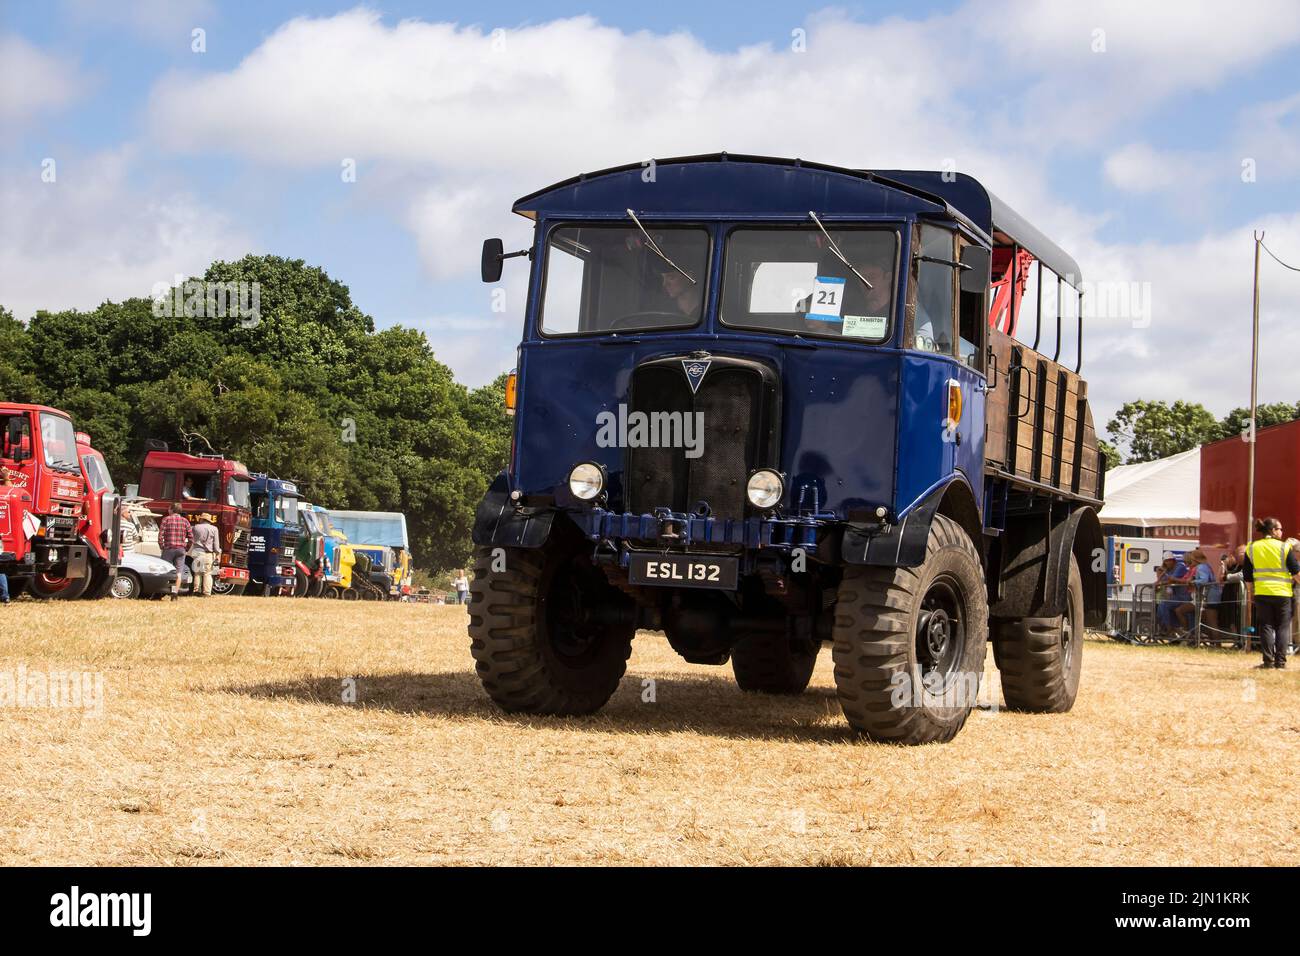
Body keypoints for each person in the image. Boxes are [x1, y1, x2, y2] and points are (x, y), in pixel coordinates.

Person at [1243, 517, 1300, 669]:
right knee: (1282, 627)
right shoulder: (1284, 547)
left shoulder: (1251, 547)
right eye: (1280, 529)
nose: (1282, 532)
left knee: (1266, 626)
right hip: (1283, 594)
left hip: (1262, 593)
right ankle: (1280, 662)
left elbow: (1247, 576)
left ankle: (1267, 662)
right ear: (1273, 530)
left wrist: (1251, 593)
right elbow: (1296, 572)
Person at [158, 503, 193, 601]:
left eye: (169, 509)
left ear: (172, 510)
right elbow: (191, 538)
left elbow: (160, 535)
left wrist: (162, 546)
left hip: (168, 548)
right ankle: (175, 593)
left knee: (165, 570)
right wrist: (186, 548)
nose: (168, 510)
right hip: (181, 549)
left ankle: (162, 592)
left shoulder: (166, 519)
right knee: (179, 572)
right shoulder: (185, 521)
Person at [1184, 550, 1221, 638]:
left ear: (1195, 559)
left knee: (1212, 623)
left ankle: (1217, 643)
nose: (1191, 561)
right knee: (1209, 622)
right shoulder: (1206, 565)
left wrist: (1193, 582)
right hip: (1212, 596)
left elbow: (1204, 580)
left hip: (1211, 597)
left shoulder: (1201, 567)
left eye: (1191, 559)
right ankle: (1214, 643)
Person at [1155, 553, 1191, 635]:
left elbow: (1171, 580)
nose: (1168, 563)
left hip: (1184, 596)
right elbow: (1161, 580)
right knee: (1160, 607)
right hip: (1176, 596)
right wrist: (1161, 573)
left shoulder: (1180, 566)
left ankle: (1169, 628)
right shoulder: (1168, 569)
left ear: (1174, 560)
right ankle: (1167, 628)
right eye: (1166, 561)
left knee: (1164, 604)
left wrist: (1160, 582)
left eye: (1169, 560)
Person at [190, 512, 221, 597]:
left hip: (197, 552)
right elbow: (216, 545)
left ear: (202, 519)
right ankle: (206, 593)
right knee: (207, 573)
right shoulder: (214, 529)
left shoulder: (195, 527)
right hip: (208, 554)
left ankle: (196, 591)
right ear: (209, 520)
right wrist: (217, 553)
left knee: (197, 573)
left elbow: (191, 539)